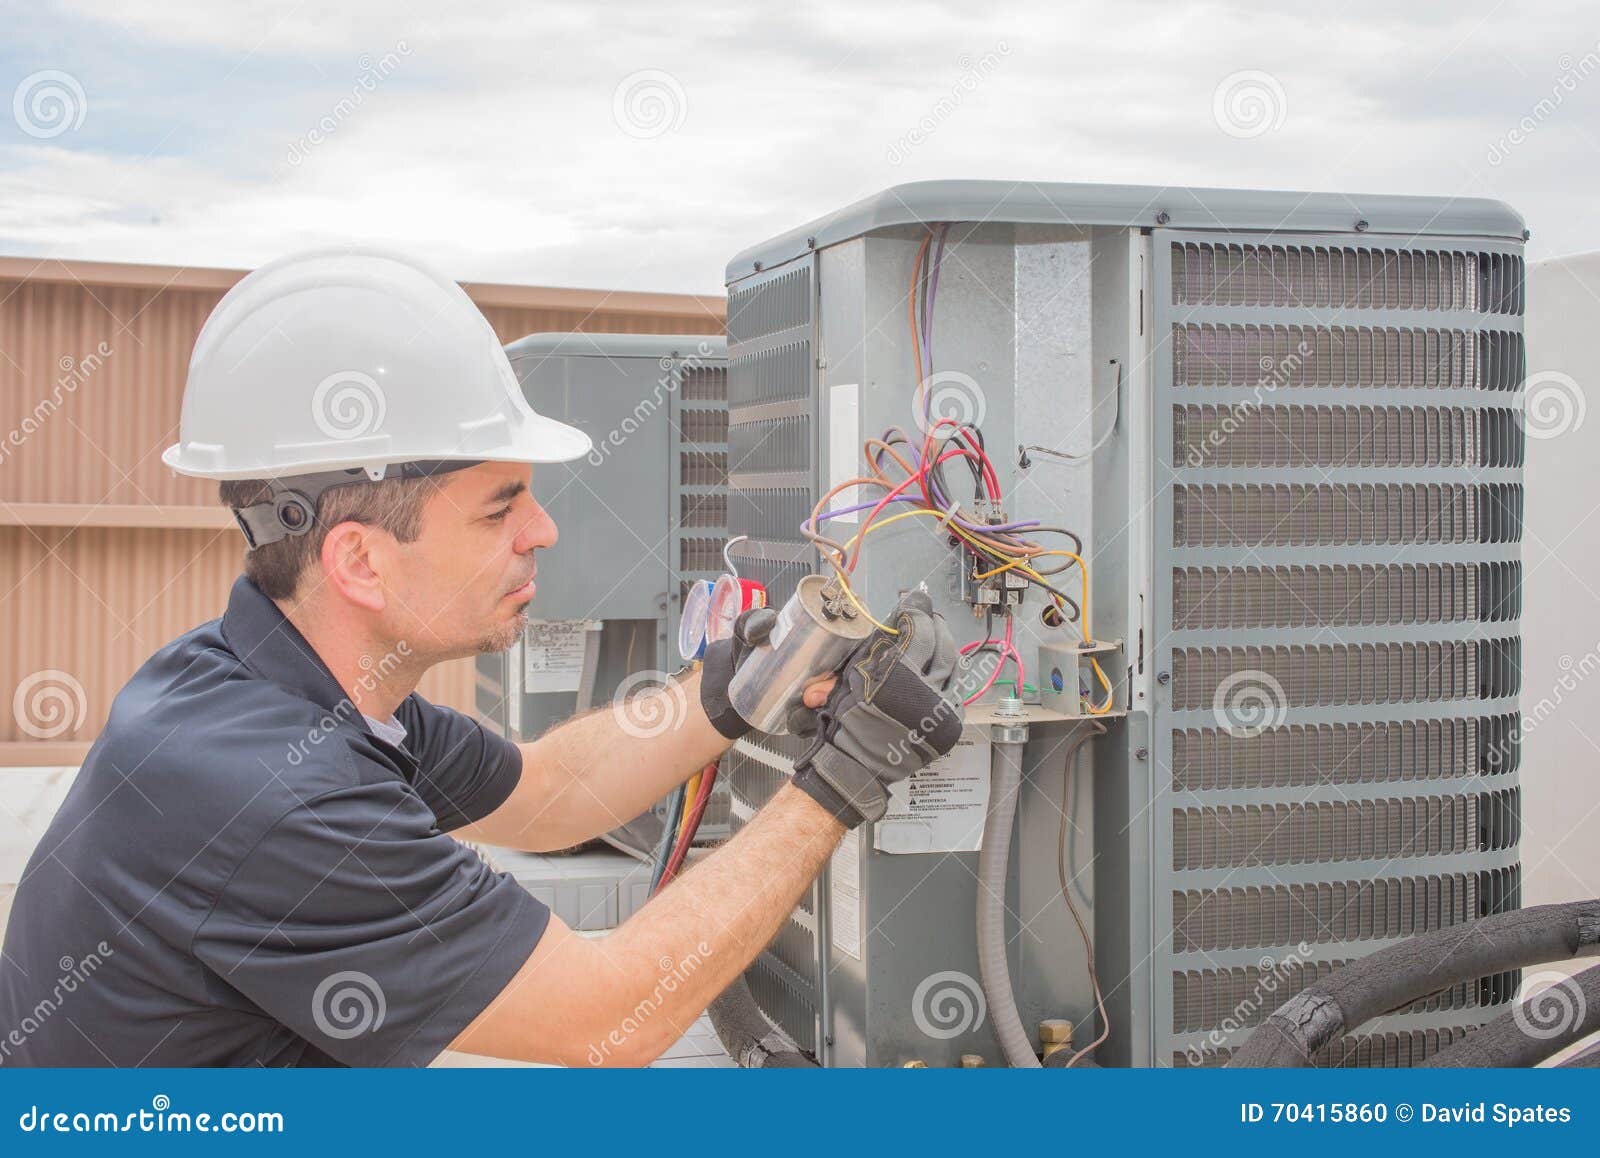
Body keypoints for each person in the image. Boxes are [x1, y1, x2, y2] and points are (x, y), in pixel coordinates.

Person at [0, 248, 965, 1067]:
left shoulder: (258, 680)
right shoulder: (276, 800)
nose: (542, 530)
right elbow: (609, 1016)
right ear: (360, 561)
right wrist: (844, 779)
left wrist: (732, 688)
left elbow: (546, 792)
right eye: (501, 507)